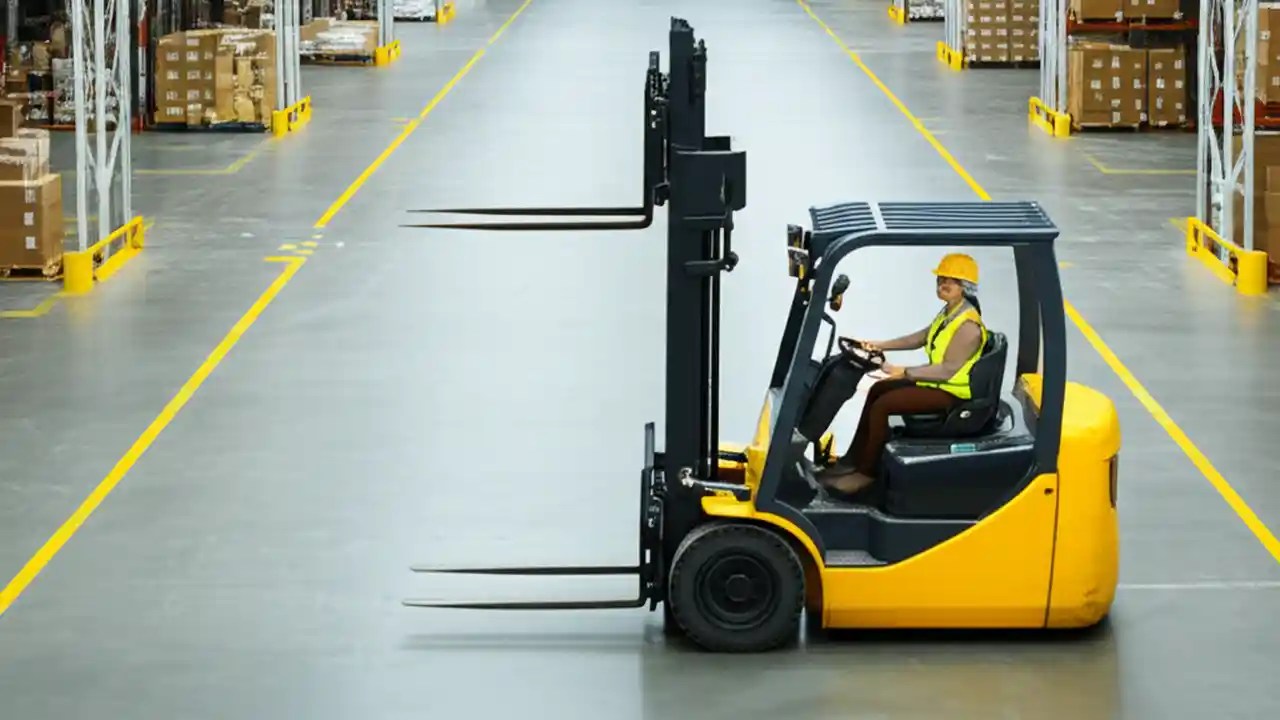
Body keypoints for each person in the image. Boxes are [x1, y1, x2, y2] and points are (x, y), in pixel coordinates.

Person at [794, 253, 988, 498]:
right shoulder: (950, 312)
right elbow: (919, 338)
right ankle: (851, 461)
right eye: (941, 278)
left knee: (884, 405)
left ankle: (865, 474)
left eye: (952, 280)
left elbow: (948, 369)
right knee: (878, 390)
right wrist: (878, 345)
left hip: (952, 393)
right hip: (940, 385)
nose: (943, 284)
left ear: (965, 286)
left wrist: (903, 371)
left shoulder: (968, 326)